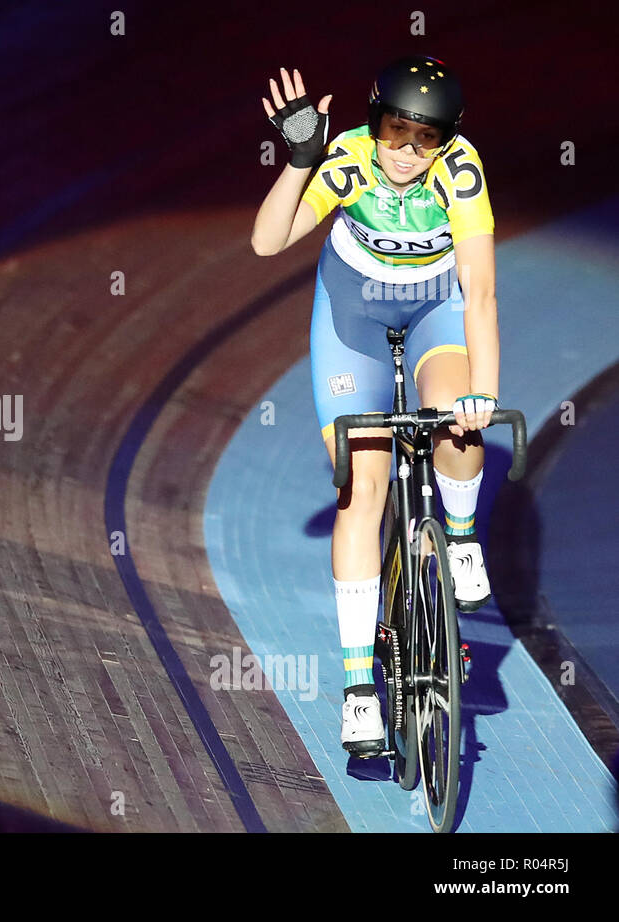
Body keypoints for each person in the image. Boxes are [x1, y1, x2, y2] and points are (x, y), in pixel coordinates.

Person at [251, 56, 499, 754]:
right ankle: (360, 689)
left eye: (428, 138)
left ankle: (458, 536)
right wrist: (301, 158)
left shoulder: (461, 172)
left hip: (436, 308)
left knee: (456, 409)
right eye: (396, 131)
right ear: (373, 121)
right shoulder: (349, 161)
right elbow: (267, 242)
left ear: (449, 139)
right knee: (363, 490)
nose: (408, 153)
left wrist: (486, 391)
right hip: (352, 317)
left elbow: (478, 293)